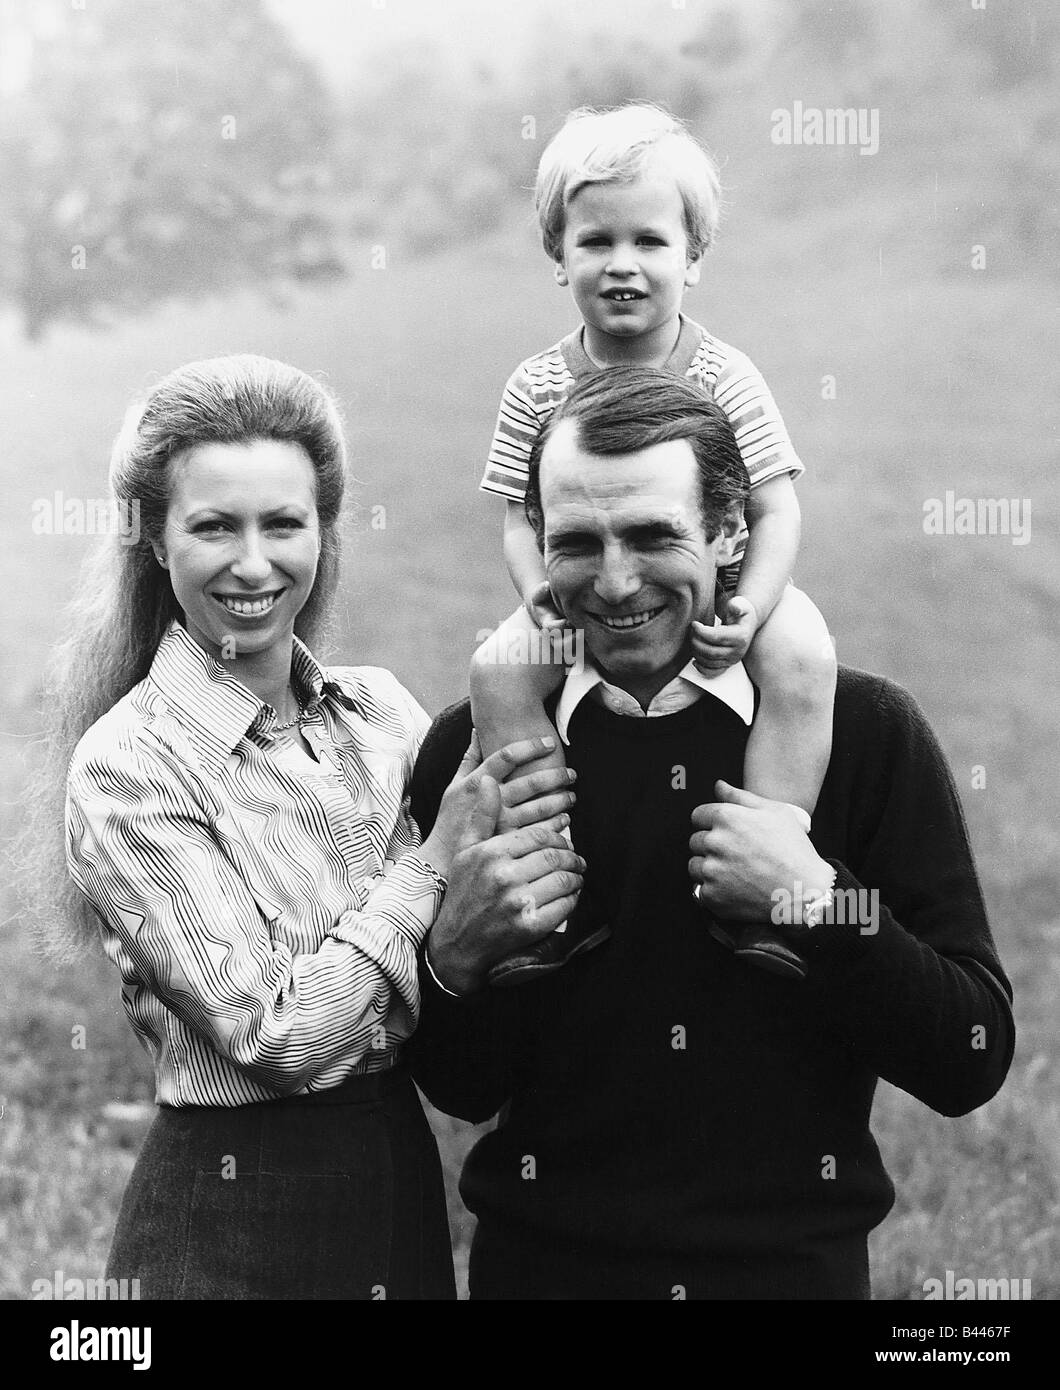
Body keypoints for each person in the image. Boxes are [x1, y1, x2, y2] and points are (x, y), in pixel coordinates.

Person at [407, 367, 1015, 1301]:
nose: (613, 583)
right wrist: (453, 957)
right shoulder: (473, 748)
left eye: (653, 536)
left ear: (732, 533)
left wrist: (818, 901)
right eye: (577, 543)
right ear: (535, 544)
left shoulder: (866, 734)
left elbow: (969, 1052)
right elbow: (458, 1086)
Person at [52, 354, 583, 1299]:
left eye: (284, 524)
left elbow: (468, 948)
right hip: (228, 1211)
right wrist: (430, 868)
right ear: (154, 540)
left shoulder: (379, 715)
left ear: (324, 533)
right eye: (214, 526)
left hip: (394, 1179)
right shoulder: (127, 766)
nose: (253, 564)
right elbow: (279, 1036)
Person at [471, 102, 835, 984]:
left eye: (651, 242)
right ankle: (548, 889)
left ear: (694, 257)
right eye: (595, 242)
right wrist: (535, 592)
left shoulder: (723, 374)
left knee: (804, 659)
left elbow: (777, 509)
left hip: (731, 585)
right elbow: (519, 514)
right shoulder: (537, 383)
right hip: (577, 588)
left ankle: (765, 885)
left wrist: (749, 609)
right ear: (560, 257)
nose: (622, 266)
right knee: (497, 672)